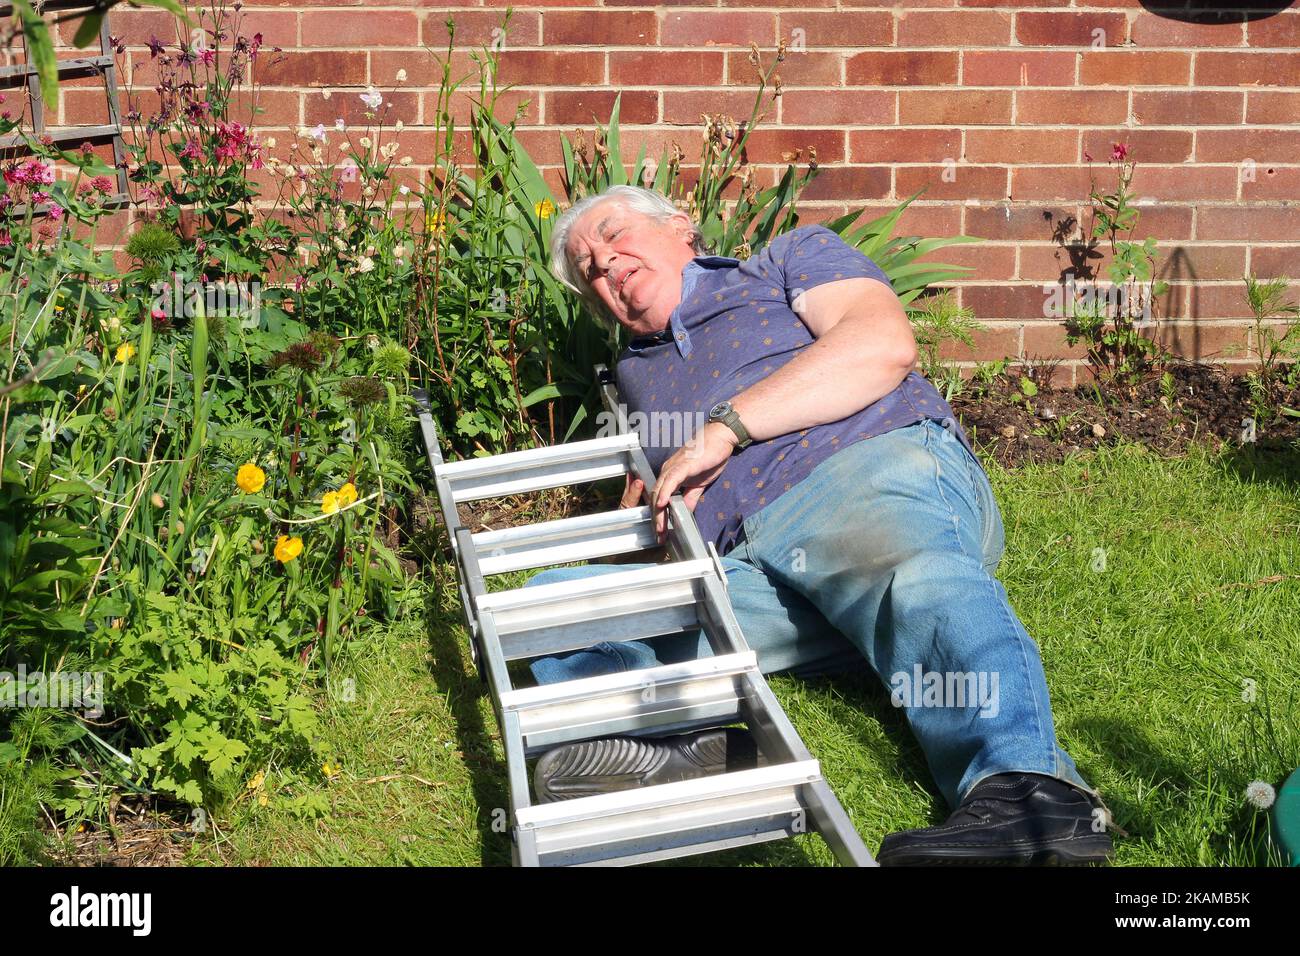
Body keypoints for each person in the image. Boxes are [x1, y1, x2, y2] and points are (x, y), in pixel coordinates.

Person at [522, 184, 1114, 866]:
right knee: (557, 602)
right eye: (587, 268)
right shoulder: (633, 371)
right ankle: (687, 756)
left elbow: (881, 344)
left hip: (853, 469)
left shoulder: (781, 261)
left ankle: (1031, 802)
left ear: (681, 227)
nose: (604, 263)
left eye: (613, 234)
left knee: (913, 578)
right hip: (745, 564)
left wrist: (727, 427)